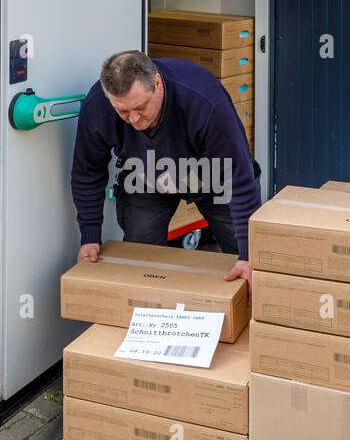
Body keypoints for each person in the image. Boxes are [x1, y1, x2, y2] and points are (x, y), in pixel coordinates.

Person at [71, 50, 259, 285]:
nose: (134, 120)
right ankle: (148, 313)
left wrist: (248, 255)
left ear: (157, 83)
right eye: (123, 111)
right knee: (140, 258)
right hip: (145, 175)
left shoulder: (204, 100)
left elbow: (238, 179)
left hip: (214, 177)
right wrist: (89, 236)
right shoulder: (98, 106)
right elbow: (88, 172)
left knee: (249, 261)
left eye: (140, 107)